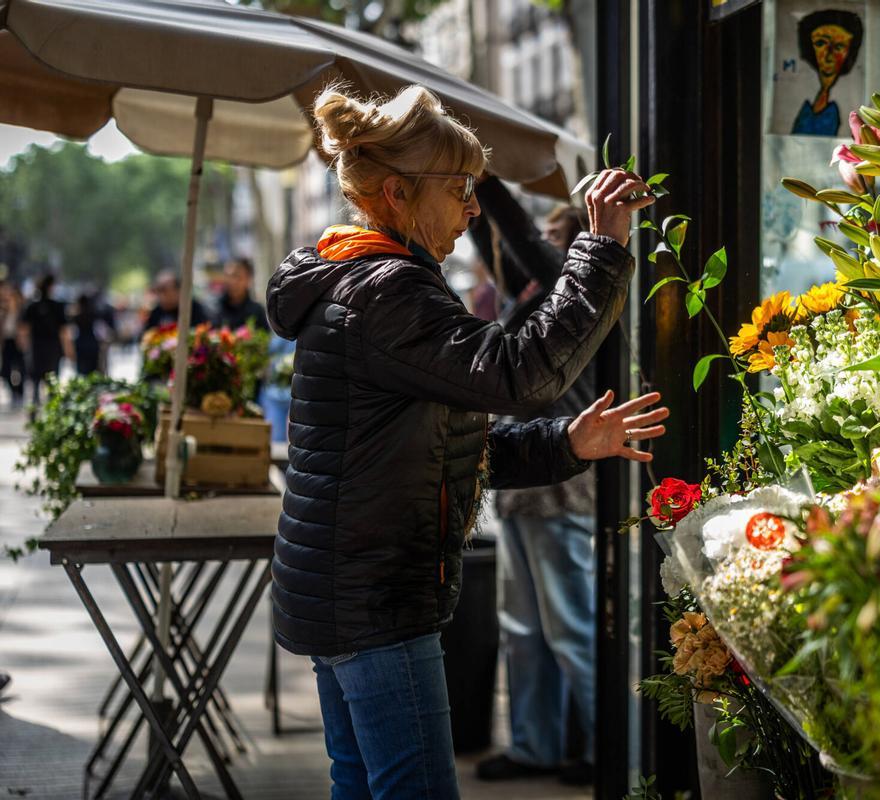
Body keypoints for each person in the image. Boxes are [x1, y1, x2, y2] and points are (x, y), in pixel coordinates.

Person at [266, 84, 663, 800]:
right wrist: (601, 247)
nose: (473, 208)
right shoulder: (386, 292)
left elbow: (442, 449)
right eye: (460, 189)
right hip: (375, 597)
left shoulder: (364, 283)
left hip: (348, 590)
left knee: (362, 785)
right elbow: (521, 374)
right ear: (398, 193)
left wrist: (568, 442)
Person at [471, 198, 599, 785]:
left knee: (570, 627)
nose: (541, 244)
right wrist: (470, 199)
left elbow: (521, 241)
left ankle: (604, 748)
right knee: (523, 629)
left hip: (561, 489)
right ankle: (534, 746)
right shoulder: (532, 299)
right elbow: (496, 246)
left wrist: (485, 179)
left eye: (555, 236)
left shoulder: (578, 294)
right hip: (522, 489)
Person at [791, 9, 864, 136]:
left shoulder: (848, 100)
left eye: (839, 47)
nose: (829, 56)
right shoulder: (804, 97)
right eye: (820, 43)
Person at [19, 274, 71, 406]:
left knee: (35, 381)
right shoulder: (57, 306)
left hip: (36, 347)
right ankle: (51, 408)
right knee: (52, 380)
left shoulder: (32, 305)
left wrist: (24, 346)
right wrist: (69, 349)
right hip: (53, 348)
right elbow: (64, 331)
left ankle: (35, 406)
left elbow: (24, 329)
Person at [142, 269, 208, 337]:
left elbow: (203, 332)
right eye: (157, 290)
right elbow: (145, 336)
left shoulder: (193, 308)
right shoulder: (156, 312)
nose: (160, 295)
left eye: (163, 290)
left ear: (178, 290)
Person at [212, 257, 269, 331]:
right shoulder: (214, 309)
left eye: (236, 276)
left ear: (248, 279)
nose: (232, 281)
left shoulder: (257, 311)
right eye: (228, 276)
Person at [0, 282, 25, 407]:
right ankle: (14, 391)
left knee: (21, 368)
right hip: (7, 342)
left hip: (18, 342)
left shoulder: (21, 312)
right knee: (5, 370)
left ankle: (20, 392)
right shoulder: (4, 311)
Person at [71, 292, 107, 376]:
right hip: (93, 345)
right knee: (94, 371)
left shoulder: (76, 317)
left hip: (80, 346)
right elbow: (101, 332)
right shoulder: (95, 315)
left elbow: (73, 333)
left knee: (82, 372)